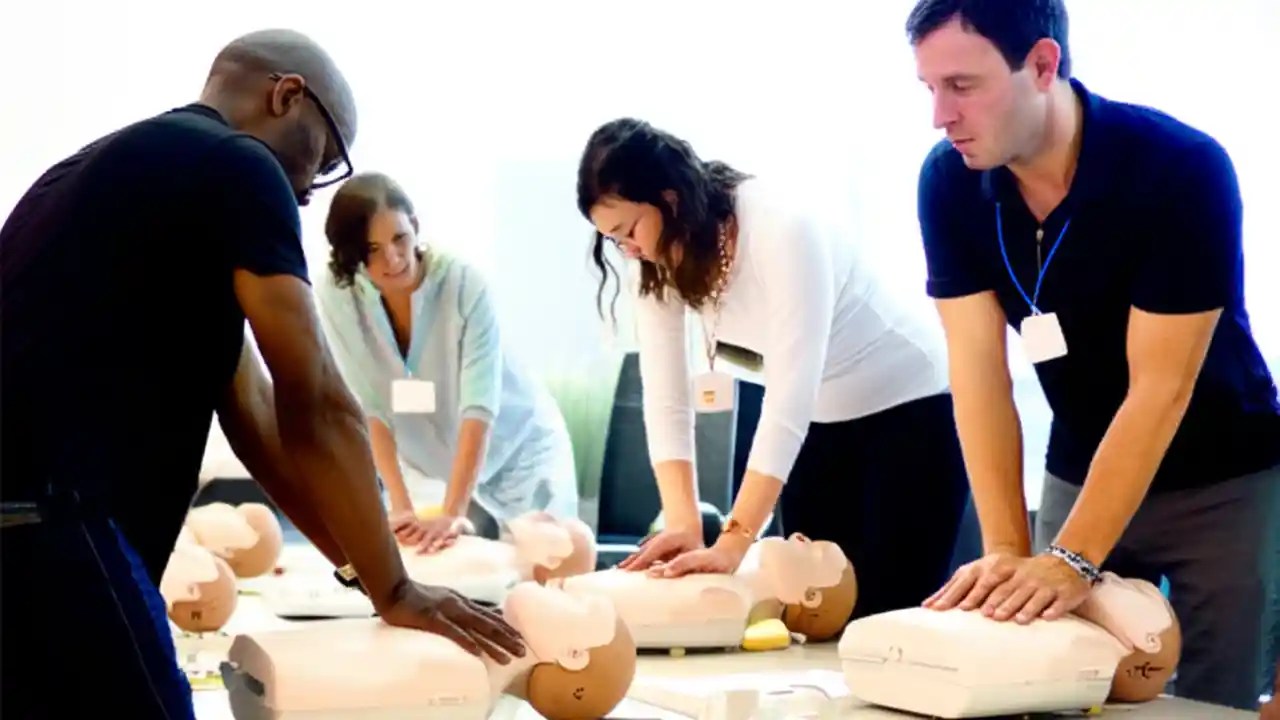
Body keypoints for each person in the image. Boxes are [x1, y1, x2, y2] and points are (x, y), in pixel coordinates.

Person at [0, 29, 522, 719]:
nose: (309, 192)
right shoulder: (239, 166)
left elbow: (258, 413)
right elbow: (316, 400)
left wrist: (367, 575)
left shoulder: (114, 172)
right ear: (286, 96)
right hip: (55, 516)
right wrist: (397, 589)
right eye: (325, 159)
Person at [906, 0, 1280, 710]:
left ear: (1042, 65)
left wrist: (1072, 559)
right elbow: (978, 375)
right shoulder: (949, 182)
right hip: (1079, 468)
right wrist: (1008, 552)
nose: (940, 116)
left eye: (962, 85)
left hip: (1222, 482)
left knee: (1211, 700)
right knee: (1053, 684)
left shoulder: (1180, 169)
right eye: (928, 88)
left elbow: (1160, 391)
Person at [575, 117, 972, 623]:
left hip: (911, 408)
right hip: (819, 425)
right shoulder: (653, 262)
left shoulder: (781, 227)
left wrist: (737, 538)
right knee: (814, 616)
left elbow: (787, 398)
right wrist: (683, 523)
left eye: (628, 229)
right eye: (612, 239)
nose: (626, 248)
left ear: (670, 200)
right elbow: (666, 397)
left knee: (888, 616)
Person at [315, 171, 580, 553]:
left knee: (549, 564)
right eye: (372, 249)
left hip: (517, 450)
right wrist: (401, 505)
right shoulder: (339, 292)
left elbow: (479, 405)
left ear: (416, 227)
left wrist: (454, 509)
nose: (392, 259)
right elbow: (371, 408)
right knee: (428, 570)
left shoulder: (464, 284)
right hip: (428, 466)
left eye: (400, 239)